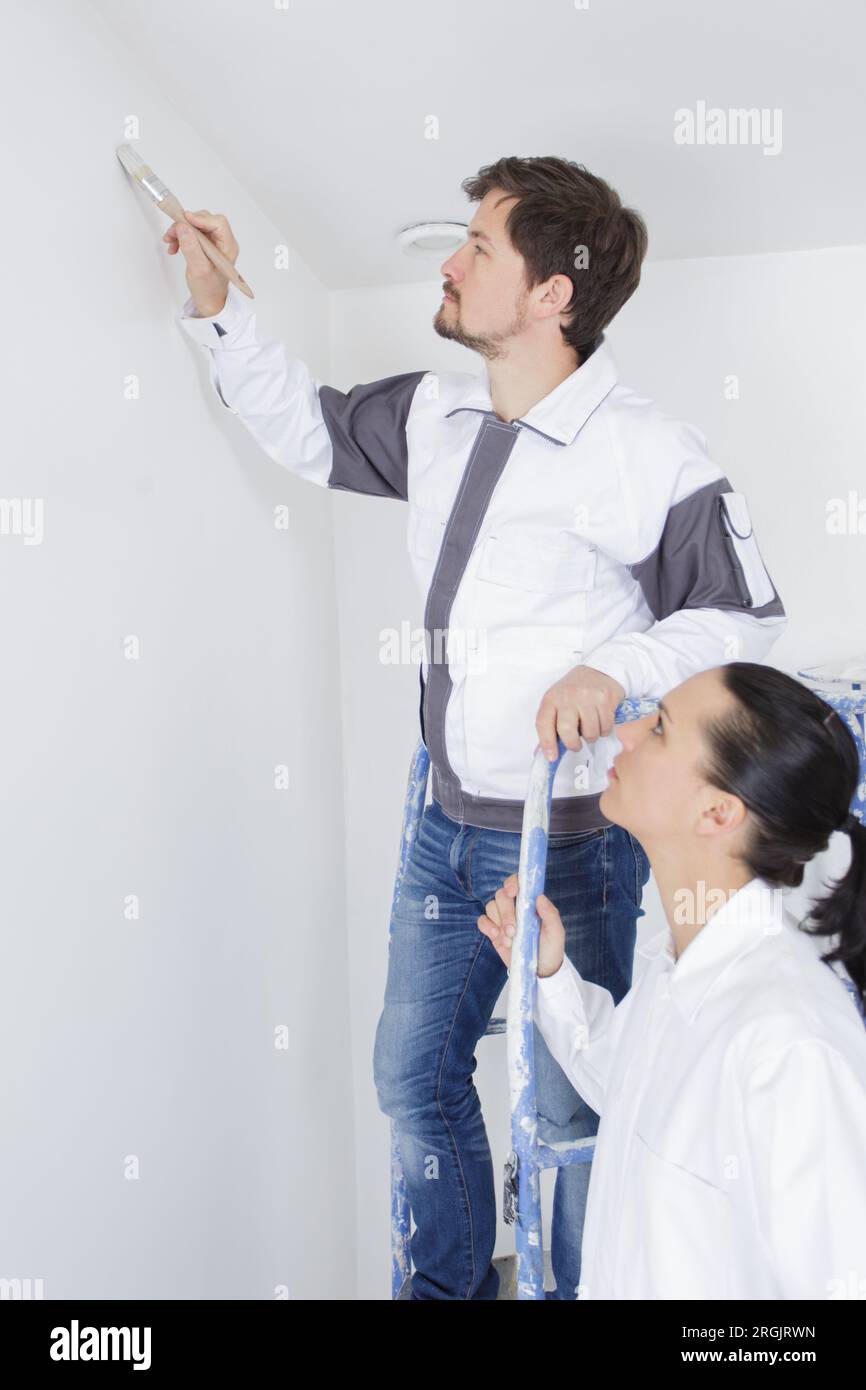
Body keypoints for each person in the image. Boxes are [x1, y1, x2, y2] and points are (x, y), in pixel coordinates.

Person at [169, 156, 787, 1298]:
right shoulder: (436, 410)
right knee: (412, 1082)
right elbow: (310, 430)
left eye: (478, 249)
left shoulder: (647, 452)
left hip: (574, 849)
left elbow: (744, 630)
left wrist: (620, 664)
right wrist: (221, 307)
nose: (448, 267)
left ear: (553, 294)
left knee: (572, 1112)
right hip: (438, 824)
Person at [478, 662, 866, 1299]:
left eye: (659, 729)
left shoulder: (793, 1048)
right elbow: (629, 1081)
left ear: (717, 812)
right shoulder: (679, 970)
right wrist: (549, 973)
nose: (625, 733)